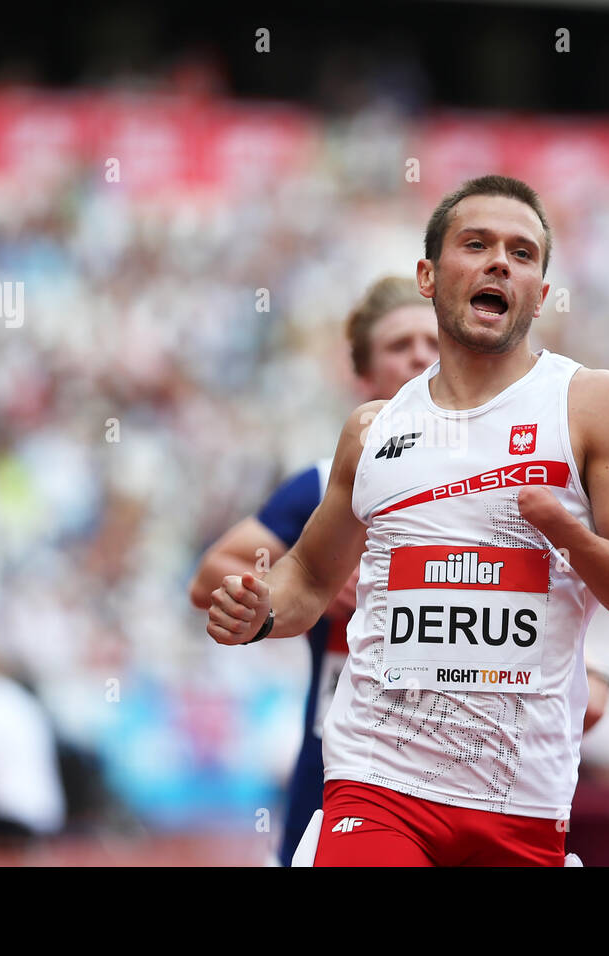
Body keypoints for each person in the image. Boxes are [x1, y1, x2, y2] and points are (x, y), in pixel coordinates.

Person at [207, 175, 609, 866]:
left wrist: (571, 535)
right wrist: (260, 609)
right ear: (428, 275)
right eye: (476, 244)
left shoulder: (591, 405)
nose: (499, 263)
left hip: (519, 797)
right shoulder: (371, 431)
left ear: (540, 292)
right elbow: (306, 574)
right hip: (377, 781)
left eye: (522, 252)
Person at [190, 276, 439, 865]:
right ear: (365, 375)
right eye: (399, 345)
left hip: (456, 746)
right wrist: (318, 584)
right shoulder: (327, 479)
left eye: (432, 341)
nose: (421, 356)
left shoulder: (502, 466)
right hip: (343, 743)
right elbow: (210, 576)